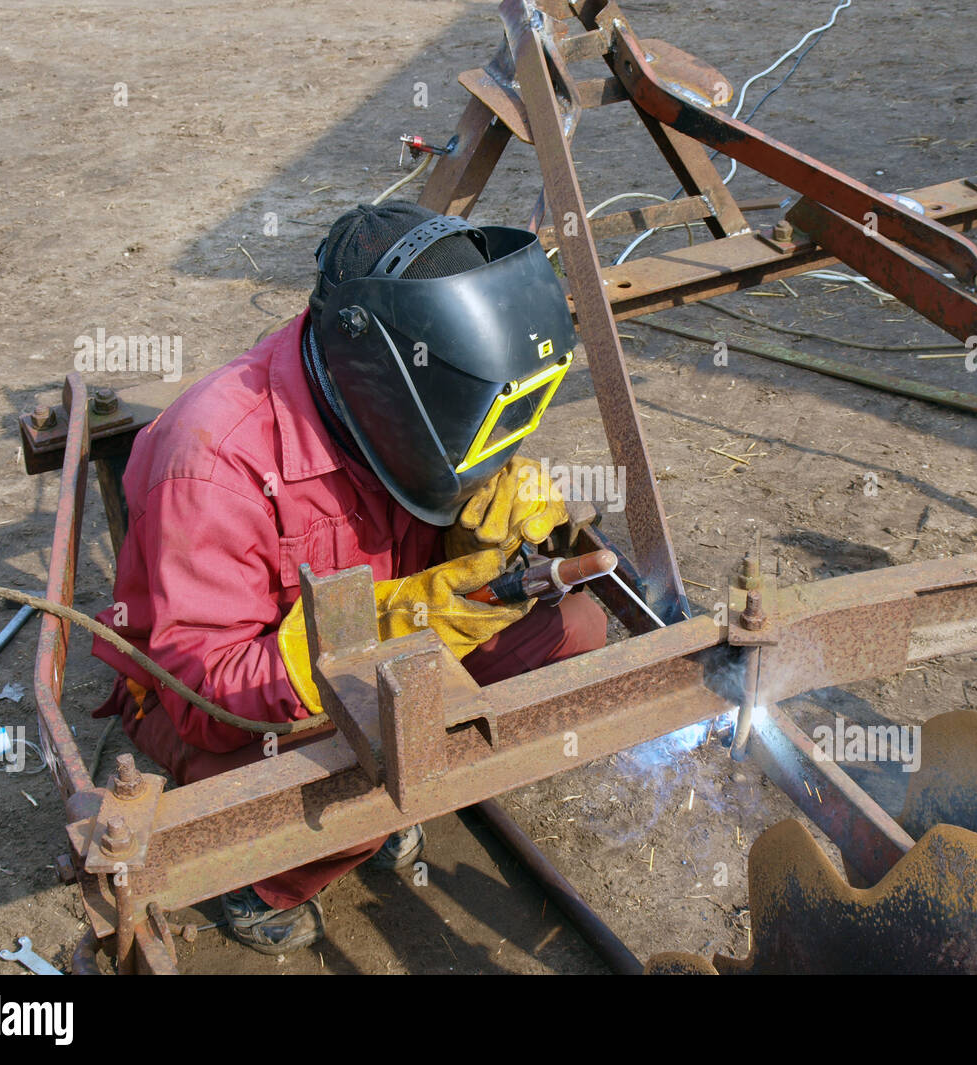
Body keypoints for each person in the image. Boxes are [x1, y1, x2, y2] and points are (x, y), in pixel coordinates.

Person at [90, 201, 607, 954]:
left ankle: (375, 803)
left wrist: (474, 525)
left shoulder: (402, 401)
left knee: (574, 631)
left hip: (358, 652)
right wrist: (386, 636)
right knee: (381, 755)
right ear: (383, 379)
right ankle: (260, 883)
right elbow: (205, 694)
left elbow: (438, 517)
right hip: (216, 700)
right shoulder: (214, 462)